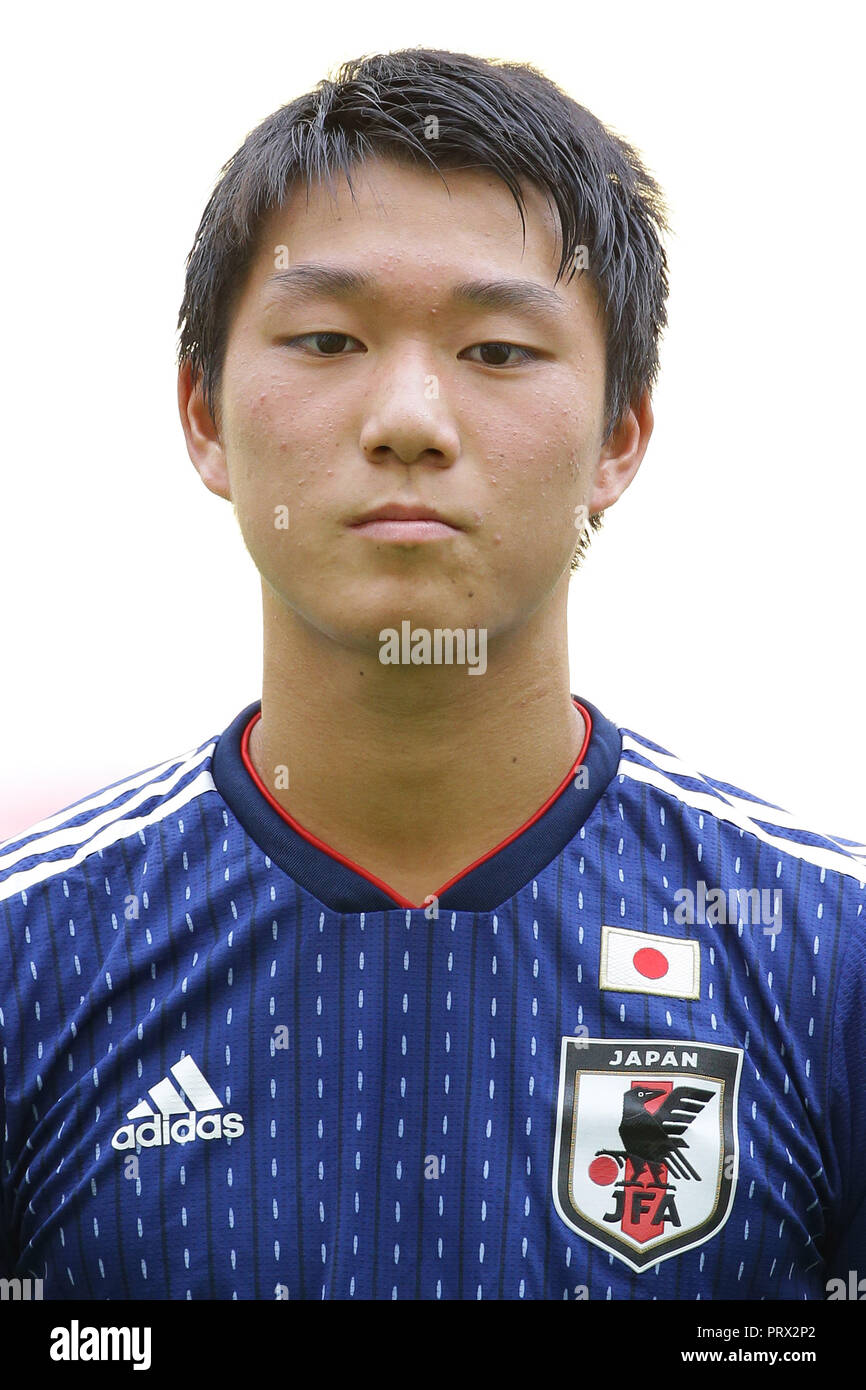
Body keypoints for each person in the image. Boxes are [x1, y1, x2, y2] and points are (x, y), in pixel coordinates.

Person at [1, 47, 864, 1302]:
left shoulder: (825, 958)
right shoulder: (32, 958)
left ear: (618, 436)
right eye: (328, 336)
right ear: (202, 415)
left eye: (498, 351)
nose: (407, 416)